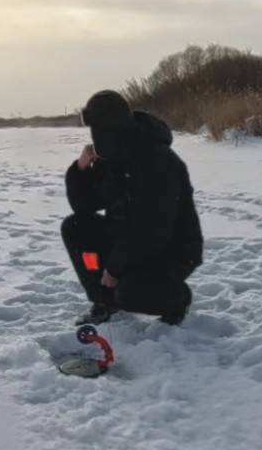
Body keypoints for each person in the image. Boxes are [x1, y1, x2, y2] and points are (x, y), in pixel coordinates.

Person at [61, 90, 203, 326]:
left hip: (171, 250)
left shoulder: (160, 161)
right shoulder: (112, 156)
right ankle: (103, 300)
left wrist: (115, 269)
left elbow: (152, 229)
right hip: (129, 240)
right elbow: (84, 206)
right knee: (77, 227)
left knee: (131, 294)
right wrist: (80, 170)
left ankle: (178, 298)